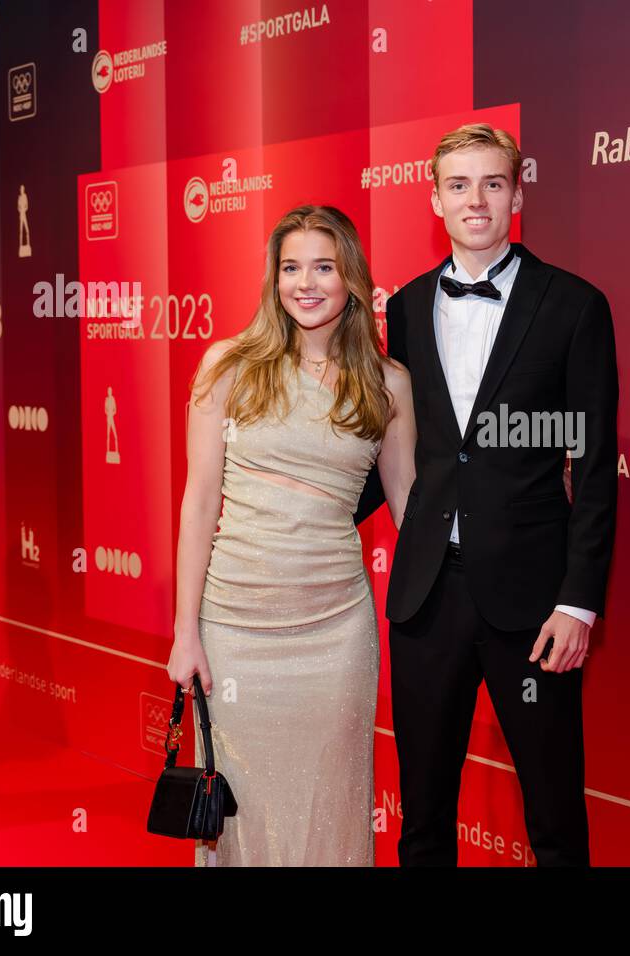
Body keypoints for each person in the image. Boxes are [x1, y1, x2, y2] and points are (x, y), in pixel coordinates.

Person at [354, 124, 619, 866]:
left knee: (556, 816)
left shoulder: (573, 305)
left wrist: (578, 602)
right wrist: (304, 514)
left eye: (493, 184)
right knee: (424, 817)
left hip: (534, 602)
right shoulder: (402, 309)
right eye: (460, 185)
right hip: (427, 596)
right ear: (435, 198)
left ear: (518, 194)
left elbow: (594, 465)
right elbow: (401, 452)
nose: (477, 200)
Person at [167, 205, 415, 866]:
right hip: (234, 630)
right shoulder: (227, 365)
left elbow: (410, 506)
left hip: (335, 634)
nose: (305, 283)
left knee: (329, 809)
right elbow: (198, 502)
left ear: (352, 279)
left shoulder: (387, 386)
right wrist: (185, 633)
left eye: (324, 267)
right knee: (240, 815)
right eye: (290, 267)